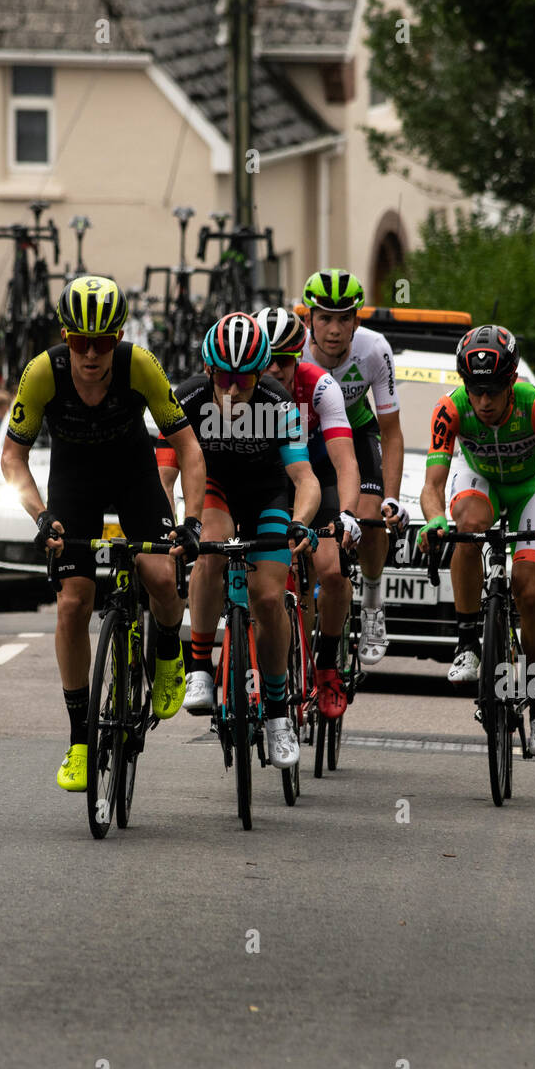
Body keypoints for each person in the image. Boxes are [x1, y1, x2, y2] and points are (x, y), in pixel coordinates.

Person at [1, 275, 206, 794]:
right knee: (74, 601)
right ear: (66, 339)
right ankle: (78, 739)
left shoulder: (139, 365)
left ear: (117, 338)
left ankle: (165, 652)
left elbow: (188, 449)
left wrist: (193, 520)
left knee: (160, 573)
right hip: (74, 480)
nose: (91, 354)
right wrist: (40, 515)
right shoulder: (43, 372)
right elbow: (13, 458)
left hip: (131, 472)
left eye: (103, 342)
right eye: (80, 342)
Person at [156, 311, 321, 769]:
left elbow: (303, 478)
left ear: (260, 373)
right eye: (225, 377)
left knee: (268, 596)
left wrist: (299, 522)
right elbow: (164, 476)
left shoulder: (278, 400)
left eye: (245, 379)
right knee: (209, 547)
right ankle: (199, 668)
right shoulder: (185, 398)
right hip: (213, 487)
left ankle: (276, 714)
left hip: (266, 491)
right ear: (209, 369)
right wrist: (168, 523)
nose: (232, 390)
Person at [416, 324, 535, 756]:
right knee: (466, 525)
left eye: (492, 390)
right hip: (481, 480)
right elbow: (432, 485)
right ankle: (469, 641)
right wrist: (434, 520)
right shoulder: (450, 409)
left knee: (529, 590)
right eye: (475, 389)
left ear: (510, 381)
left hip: (533, 483)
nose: (484, 402)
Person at [254, 306, 360, 719]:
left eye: (285, 360)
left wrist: (348, 513)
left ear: (299, 358)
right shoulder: (240, 387)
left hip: (316, 473)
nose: (276, 369)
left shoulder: (320, 386)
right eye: (268, 360)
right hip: (267, 479)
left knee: (331, 569)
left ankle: (329, 664)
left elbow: (346, 462)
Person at [301, 269, 409, 665]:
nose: (334, 328)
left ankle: (373, 603)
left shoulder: (374, 349)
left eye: (344, 317)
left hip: (356, 431)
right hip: (308, 436)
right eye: (325, 318)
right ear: (308, 318)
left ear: (356, 321)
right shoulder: (292, 349)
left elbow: (392, 433)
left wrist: (391, 498)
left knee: (370, 517)